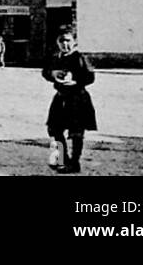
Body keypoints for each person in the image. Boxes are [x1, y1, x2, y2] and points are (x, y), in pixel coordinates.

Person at [42, 27, 97, 174]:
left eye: (68, 40)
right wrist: (53, 74)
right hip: (61, 97)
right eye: (61, 41)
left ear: (75, 42)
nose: (64, 44)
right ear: (57, 42)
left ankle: (74, 162)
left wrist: (76, 80)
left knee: (76, 133)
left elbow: (90, 77)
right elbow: (45, 72)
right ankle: (62, 159)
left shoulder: (80, 58)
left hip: (78, 99)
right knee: (55, 129)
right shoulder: (56, 57)